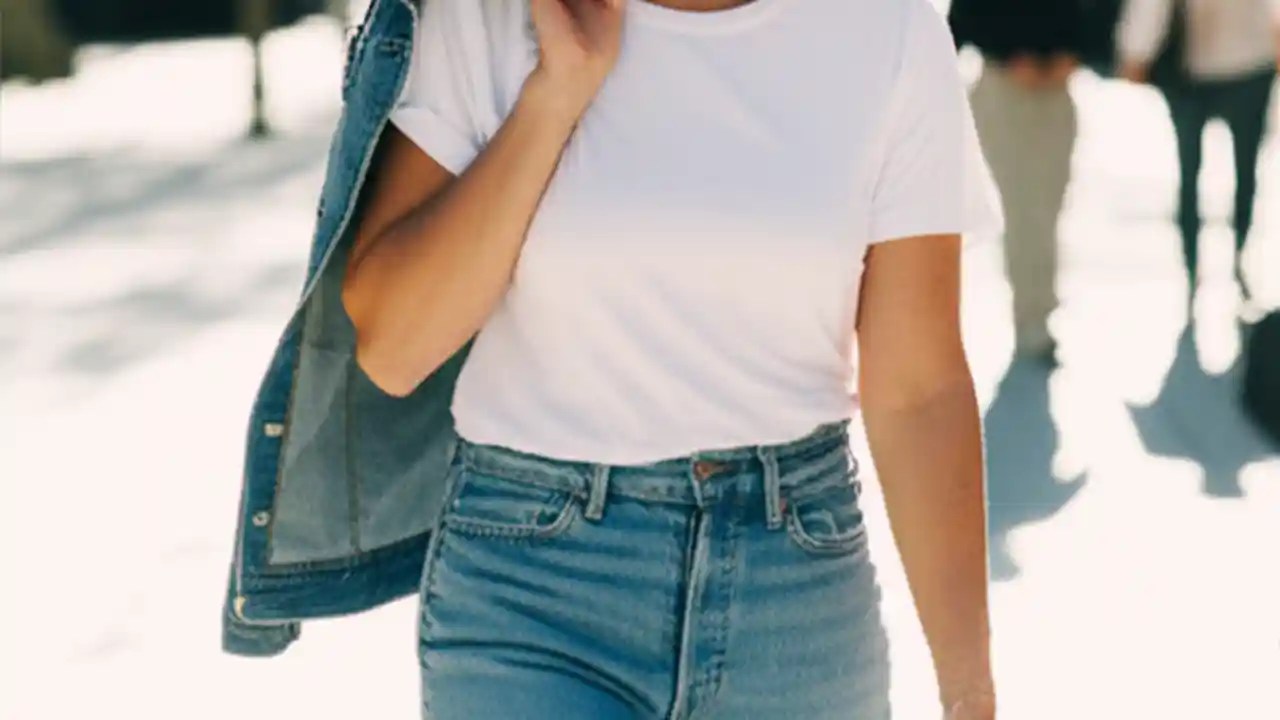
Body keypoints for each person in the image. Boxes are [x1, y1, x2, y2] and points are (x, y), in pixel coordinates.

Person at [222, 0, 1002, 718]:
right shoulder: (491, 19)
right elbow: (395, 346)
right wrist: (558, 91)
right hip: (537, 591)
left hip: (795, 591)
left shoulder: (884, 28)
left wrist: (969, 692)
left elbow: (919, 388)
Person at [950, 0, 1091, 362]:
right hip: (1004, 85)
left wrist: (1075, 55)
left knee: (1050, 205)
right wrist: (1008, 56)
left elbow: (1098, 13)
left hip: (1058, 87)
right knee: (1024, 209)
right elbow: (963, 22)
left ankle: (1041, 302)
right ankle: (1032, 317)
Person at [1119, 0, 1280, 302]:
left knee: (1210, 172)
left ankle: (1212, 262)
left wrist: (1135, 52)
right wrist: (1137, 50)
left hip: (1240, 64)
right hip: (1202, 69)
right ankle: (1207, 263)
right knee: (1228, 173)